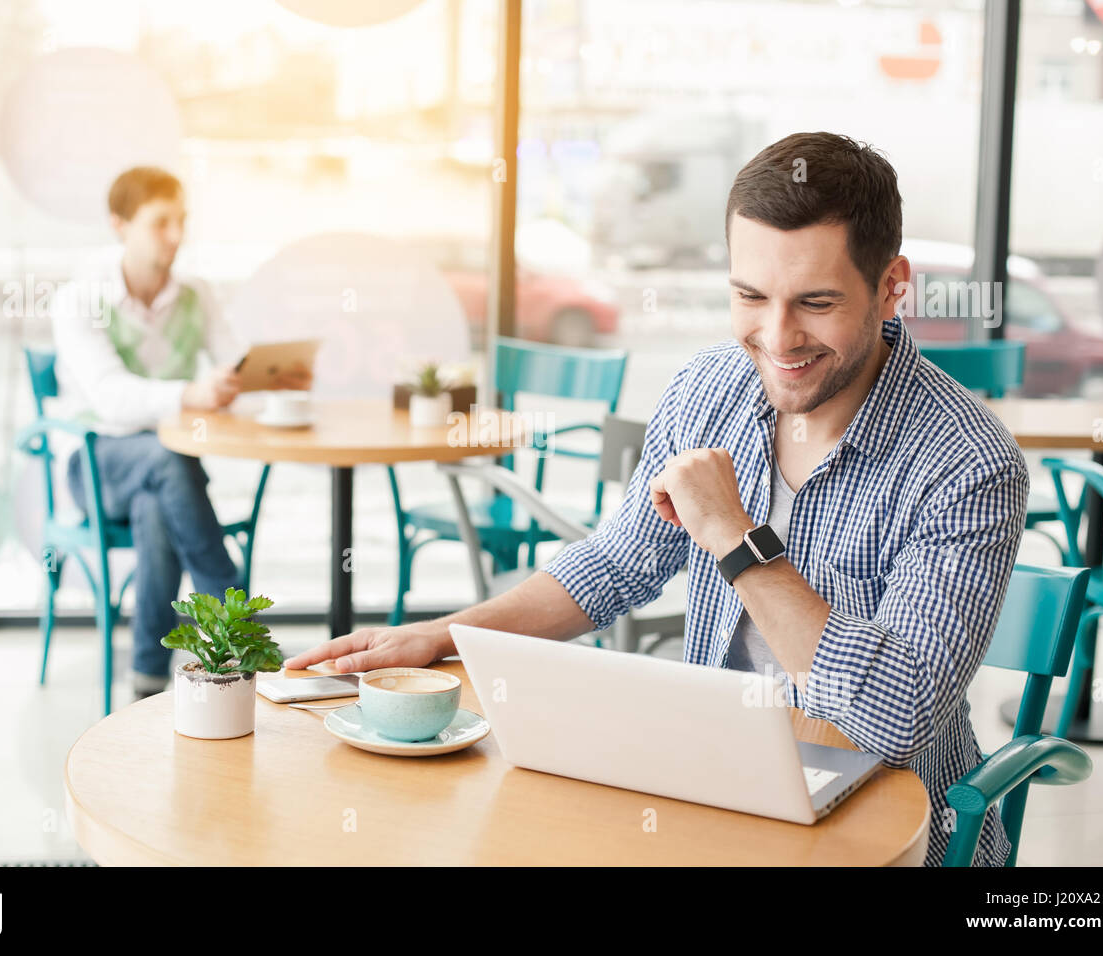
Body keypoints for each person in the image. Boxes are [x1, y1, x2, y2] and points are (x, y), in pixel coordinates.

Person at [285, 132, 1029, 867]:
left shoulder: (969, 464)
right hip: (716, 785)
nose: (777, 337)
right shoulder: (709, 389)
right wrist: (445, 634)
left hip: (886, 824)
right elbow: (617, 564)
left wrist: (738, 540)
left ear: (893, 285)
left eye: (816, 302)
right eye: (750, 296)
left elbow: (894, 714)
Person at [51, 166, 308, 699]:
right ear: (119, 224)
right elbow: (109, 397)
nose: (175, 235)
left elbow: (230, 372)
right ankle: (228, 602)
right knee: (169, 461)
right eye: (160, 222)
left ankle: (146, 680)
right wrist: (190, 393)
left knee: (158, 508)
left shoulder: (197, 294)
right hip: (97, 467)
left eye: (181, 221)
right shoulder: (80, 299)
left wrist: (270, 379)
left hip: (161, 479)